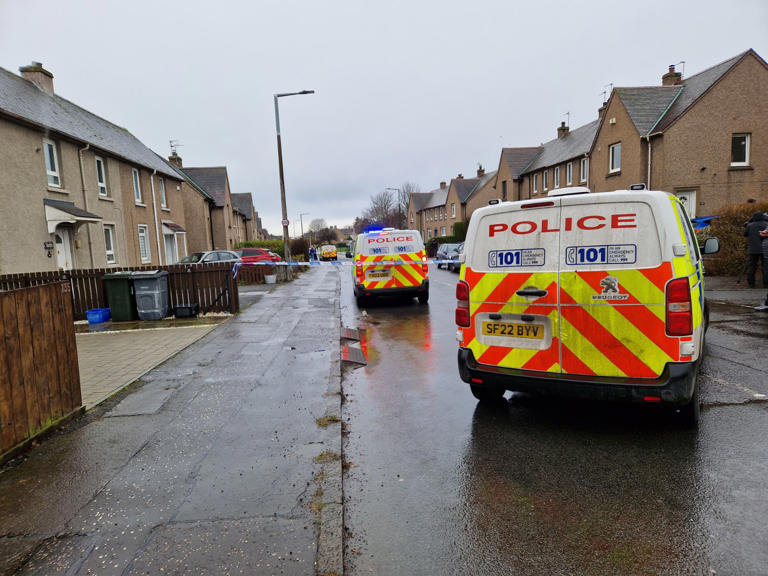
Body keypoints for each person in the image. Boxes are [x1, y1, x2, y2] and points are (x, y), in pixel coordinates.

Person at [744, 211, 768, 288]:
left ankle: (751, 283)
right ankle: (766, 283)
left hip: (753, 249)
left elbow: (745, 234)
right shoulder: (766, 224)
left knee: (752, 266)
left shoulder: (750, 225)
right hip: (765, 249)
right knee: (765, 266)